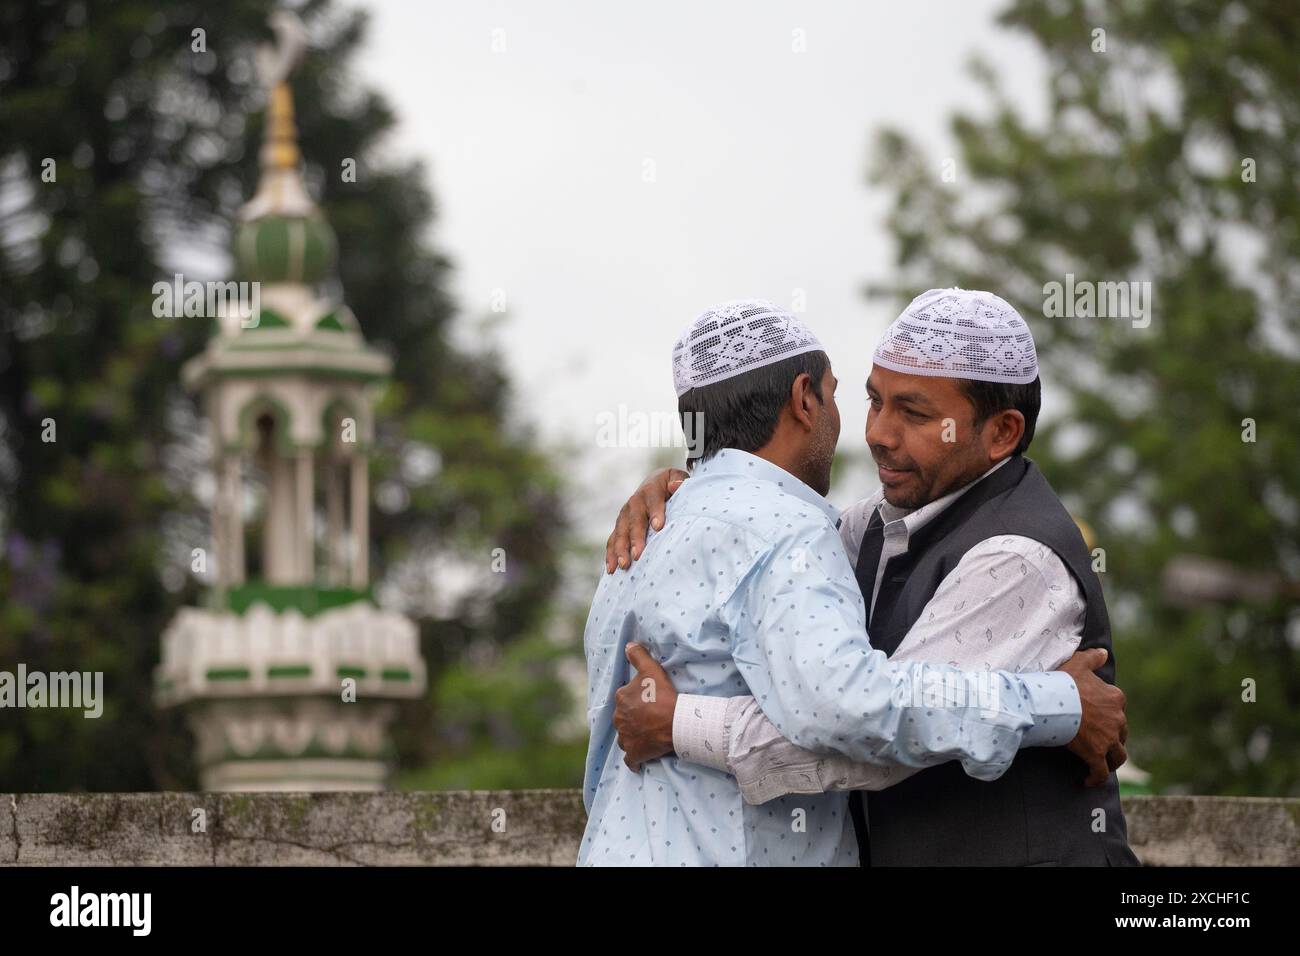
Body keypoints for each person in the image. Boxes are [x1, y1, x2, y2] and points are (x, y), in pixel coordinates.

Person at [579, 296, 1128, 866]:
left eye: (913, 415)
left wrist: (679, 722)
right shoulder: (845, 526)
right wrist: (689, 486)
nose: (878, 434)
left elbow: (865, 740)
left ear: (1001, 432)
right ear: (804, 399)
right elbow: (844, 709)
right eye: (871, 400)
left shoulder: (1019, 558)